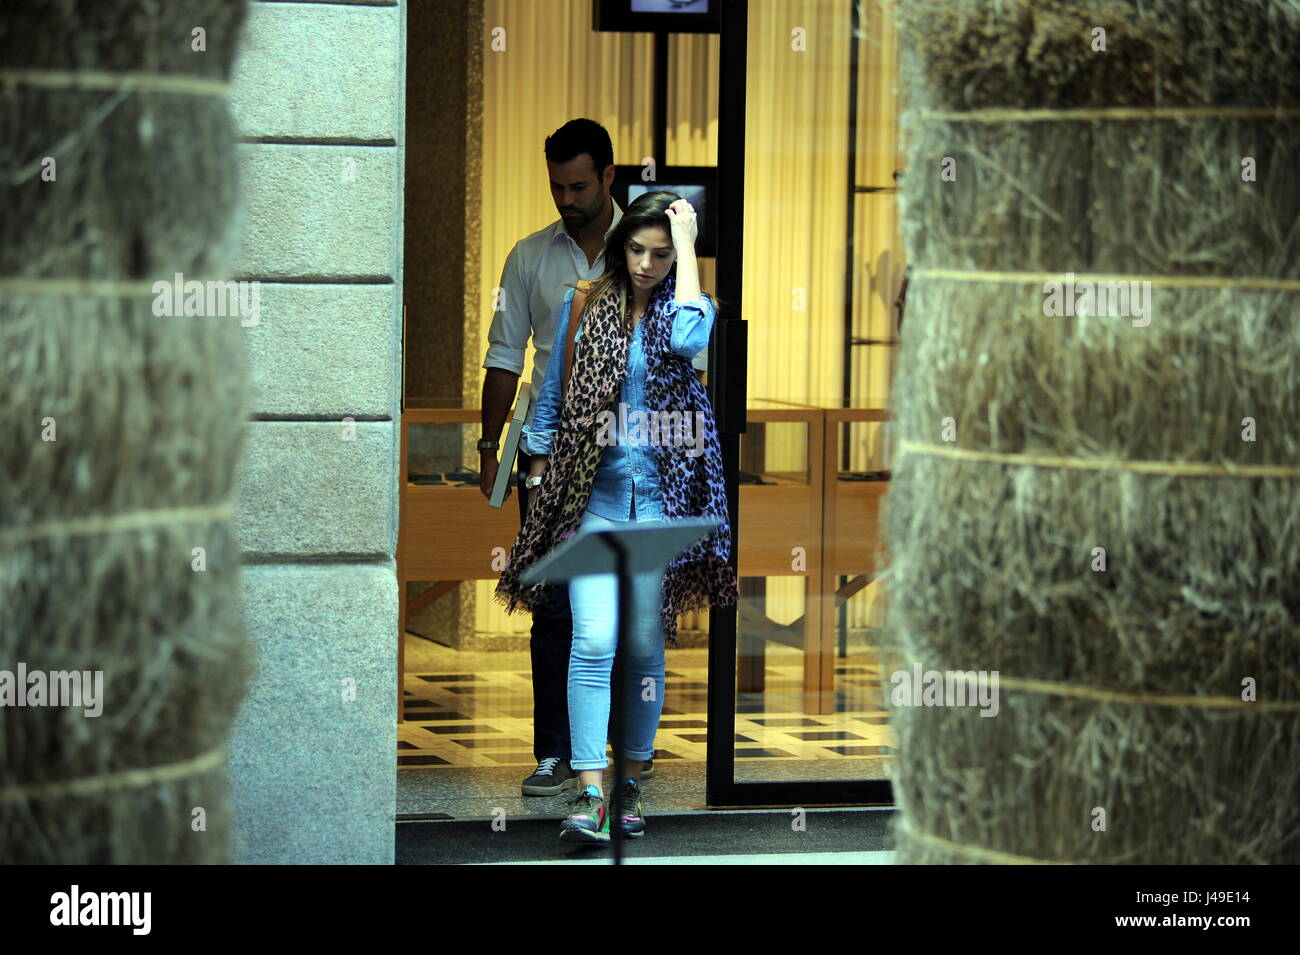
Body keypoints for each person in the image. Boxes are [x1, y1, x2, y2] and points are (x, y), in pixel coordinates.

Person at [495, 191, 739, 844]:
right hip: (595, 504)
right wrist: (541, 486)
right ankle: (591, 791)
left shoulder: (686, 310)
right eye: (639, 248)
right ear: (620, 245)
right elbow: (552, 395)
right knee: (593, 639)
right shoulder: (586, 305)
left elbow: (691, 335)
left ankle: (629, 779)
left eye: (662, 254)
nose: (647, 264)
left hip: (659, 507)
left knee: (641, 645)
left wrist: (689, 245)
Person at [479, 118, 627, 796]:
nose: (567, 200)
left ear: (608, 178)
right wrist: (489, 446)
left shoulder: (647, 253)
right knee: (555, 601)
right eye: (557, 187)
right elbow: (505, 358)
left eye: (578, 186)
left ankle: (619, 749)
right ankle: (554, 752)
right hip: (548, 458)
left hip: (630, 457)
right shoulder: (529, 257)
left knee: (626, 604)